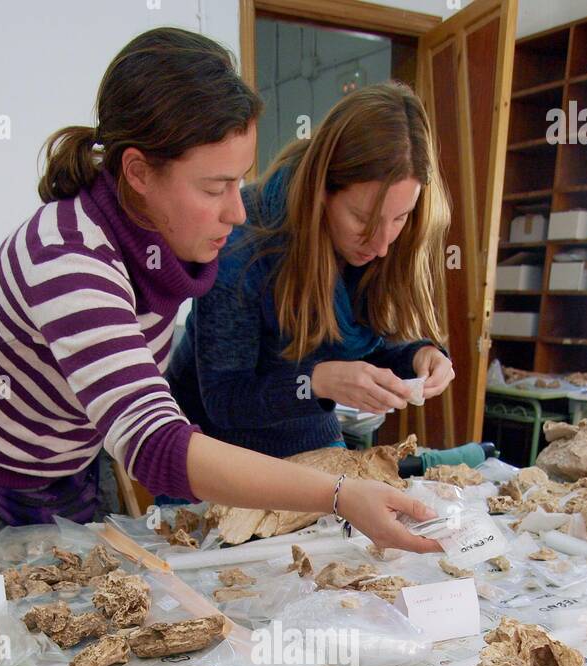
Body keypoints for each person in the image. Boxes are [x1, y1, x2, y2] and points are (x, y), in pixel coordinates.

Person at [0, 28, 439, 555]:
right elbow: (155, 443)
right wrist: (337, 495)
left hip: (73, 464)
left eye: (239, 179)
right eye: (214, 186)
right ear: (138, 171)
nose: (238, 209)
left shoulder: (166, 236)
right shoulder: (68, 257)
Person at [168, 82, 455, 458]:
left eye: (399, 218)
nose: (382, 244)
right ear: (322, 190)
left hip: (305, 425)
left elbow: (375, 336)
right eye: (362, 218)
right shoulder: (241, 241)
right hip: (212, 439)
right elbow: (227, 399)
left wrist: (419, 354)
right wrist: (316, 382)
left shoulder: (383, 245)